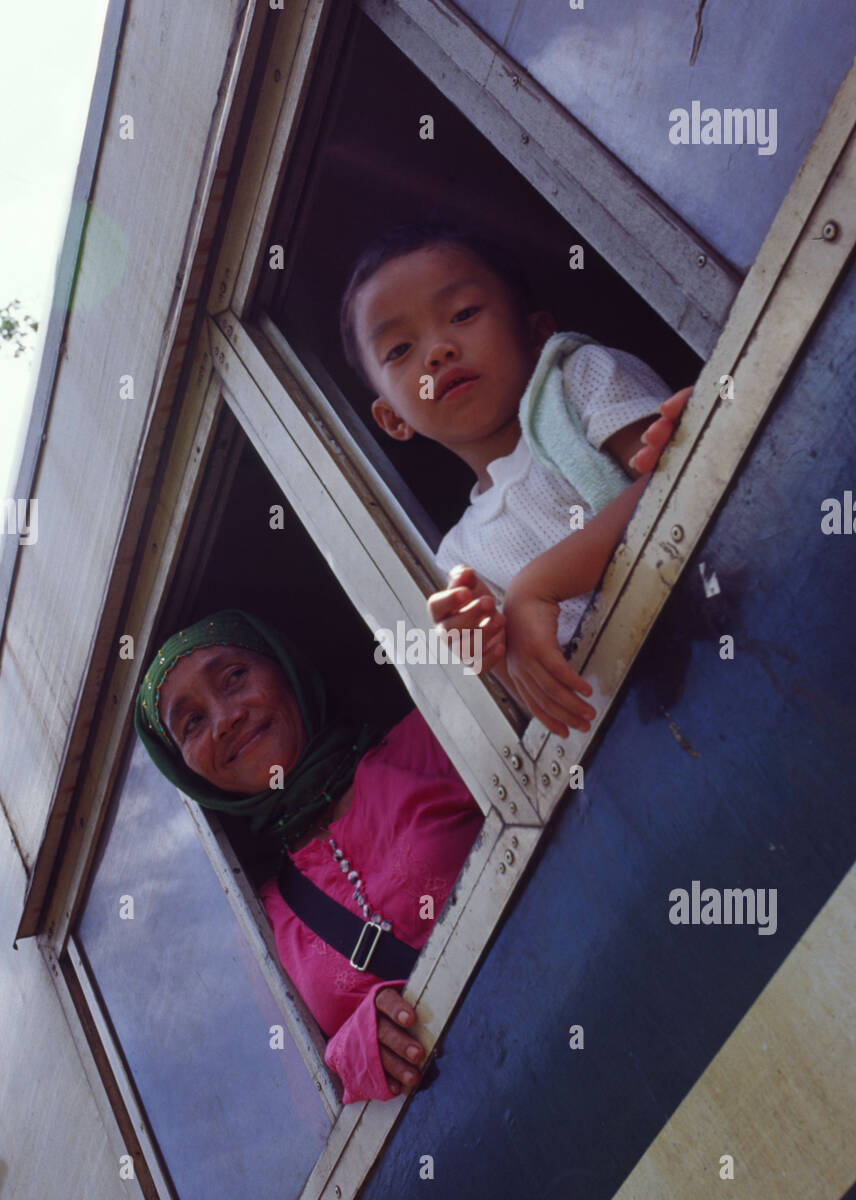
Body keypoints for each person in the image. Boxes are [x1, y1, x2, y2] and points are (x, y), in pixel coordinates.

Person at [339, 223, 693, 737]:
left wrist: (538, 586)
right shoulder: (460, 555)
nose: (437, 352)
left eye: (462, 315)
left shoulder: (580, 380)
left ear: (536, 332)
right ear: (393, 418)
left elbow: (681, 490)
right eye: (399, 350)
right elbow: (541, 697)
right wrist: (488, 650)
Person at [134, 609, 483, 1104]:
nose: (225, 718)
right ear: (188, 773)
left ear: (285, 668)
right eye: (192, 722)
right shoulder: (262, 923)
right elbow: (299, 1101)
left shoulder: (428, 740)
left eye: (234, 677)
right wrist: (352, 1052)